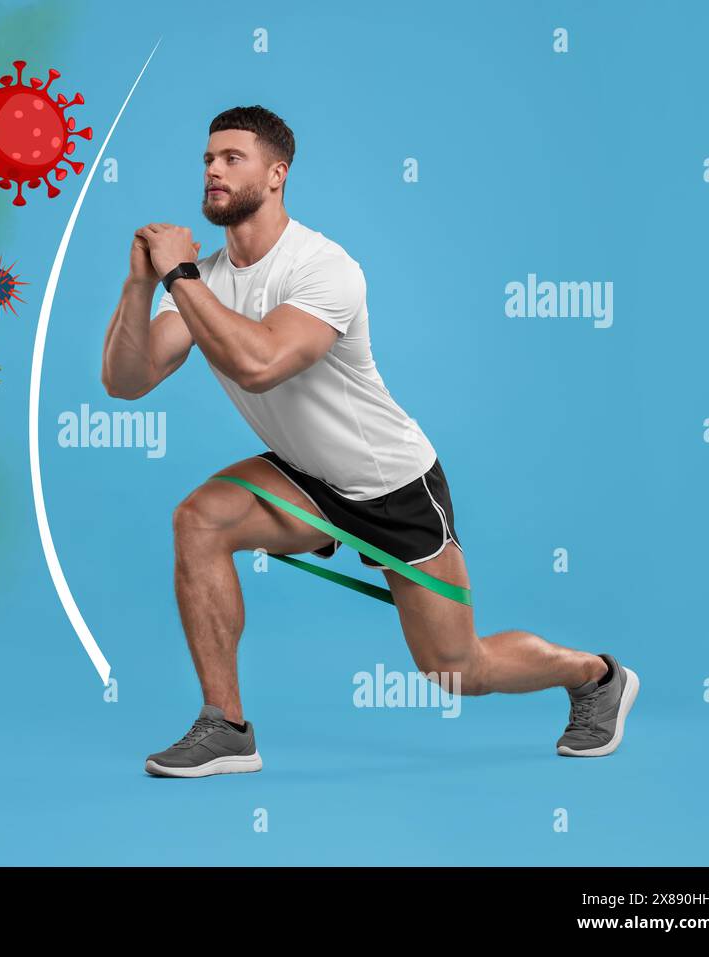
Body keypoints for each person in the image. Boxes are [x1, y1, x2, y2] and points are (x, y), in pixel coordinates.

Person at [99, 105, 639, 778]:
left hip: (392, 486)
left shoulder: (324, 267)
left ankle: (596, 676)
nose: (212, 169)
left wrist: (179, 277)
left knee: (455, 669)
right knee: (198, 519)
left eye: (231, 158)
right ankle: (226, 727)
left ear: (276, 175)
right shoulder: (201, 279)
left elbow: (260, 362)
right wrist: (139, 286)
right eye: (207, 158)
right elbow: (128, 381)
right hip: (306, 479)